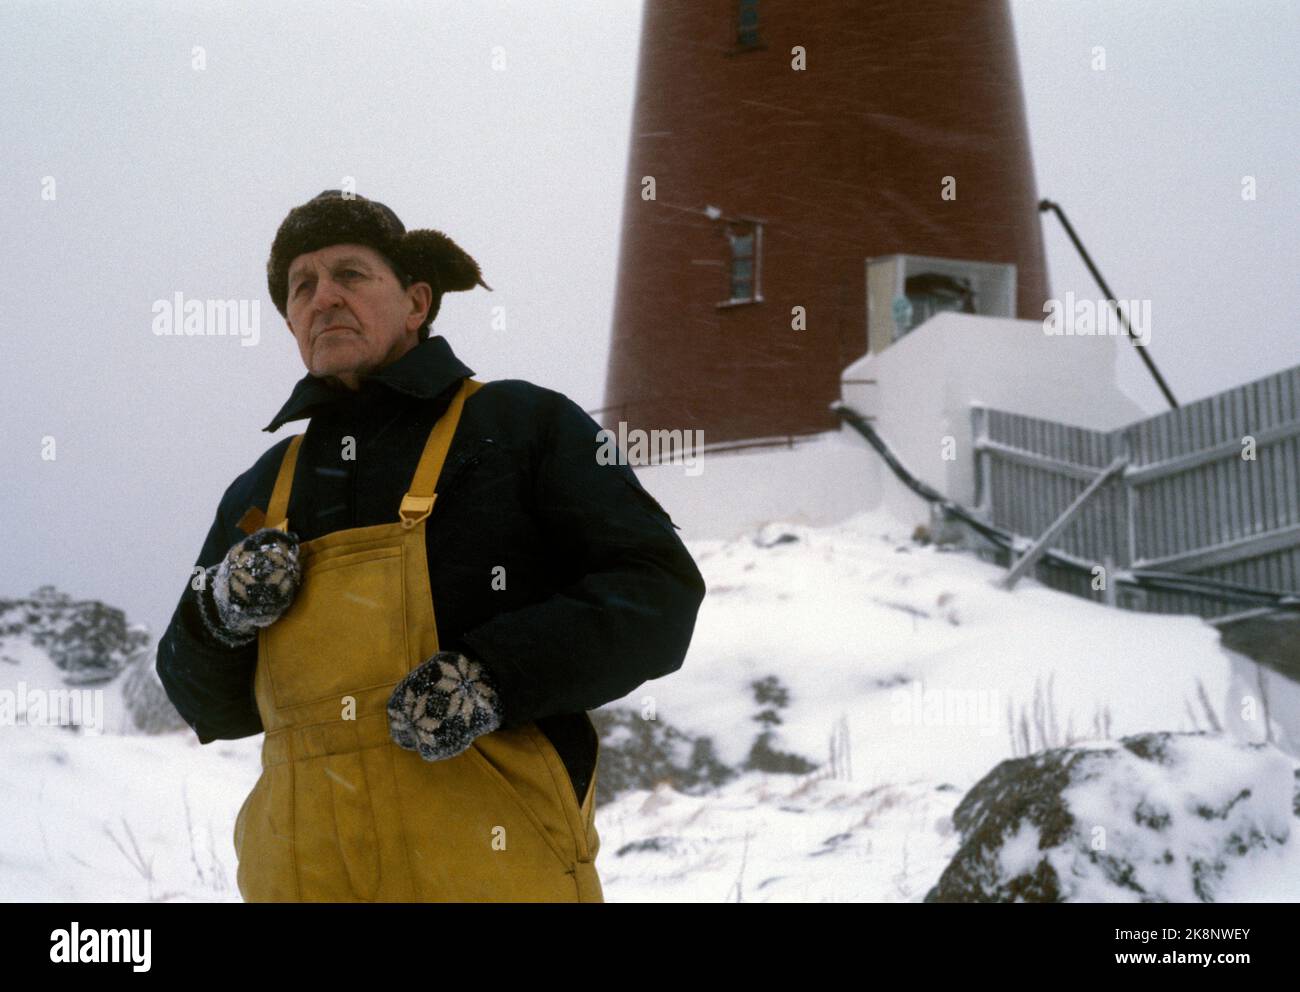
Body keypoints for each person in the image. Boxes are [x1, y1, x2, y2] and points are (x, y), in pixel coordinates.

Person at [155, 189, 707, 902]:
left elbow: (657, 591)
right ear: (291, 322)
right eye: (301, 286)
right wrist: (219, 613)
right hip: (302, 882)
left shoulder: (520, 427)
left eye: (350, 274)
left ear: (417, 302)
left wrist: (491, 678)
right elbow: (206, 703)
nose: (324, 297)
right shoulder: (262, 491)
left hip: (491, 871)